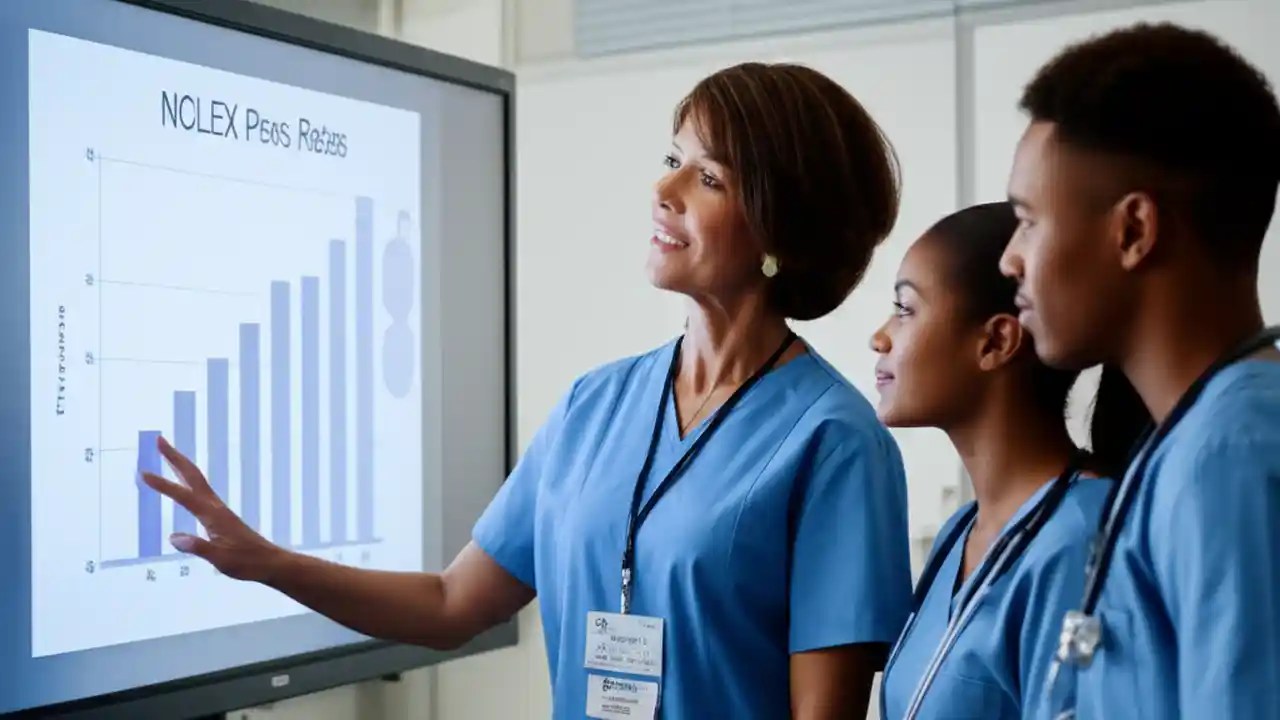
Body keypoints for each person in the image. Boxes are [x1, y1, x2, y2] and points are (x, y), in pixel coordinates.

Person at [143, 62, 914, 719]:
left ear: (780, 229)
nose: (664, 187)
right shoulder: (596, 404)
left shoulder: (835, 441)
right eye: (671, 157)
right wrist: (268, 561)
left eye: (707, 177)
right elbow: (452, 607)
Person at [998, 23, 1280, 719]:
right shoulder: (1186, 442)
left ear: (1133, 232)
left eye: (1028, 221)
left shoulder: (1231, 453)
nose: (1009, 258)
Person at [870, 202, 1146, 719]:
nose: (879, 337)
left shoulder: (1081, 541)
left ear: (996, 340)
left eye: (905, 309)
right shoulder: (960, 533)